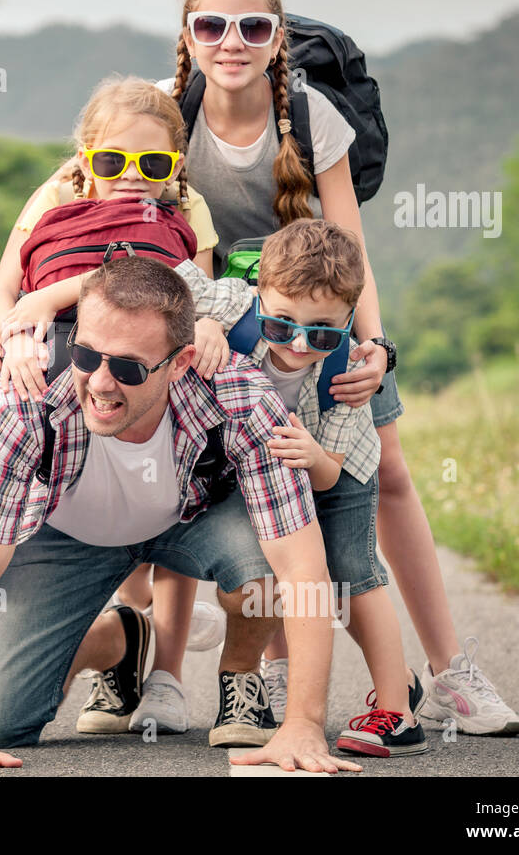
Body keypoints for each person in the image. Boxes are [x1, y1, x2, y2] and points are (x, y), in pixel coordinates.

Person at [15, 0, 519, 736]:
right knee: (192, 479)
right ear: (188, 34)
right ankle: (169, 680)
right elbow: (70, 184)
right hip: (206, 313)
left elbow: (350, 246)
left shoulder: (309, 113)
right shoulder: (164, 106)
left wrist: (375, 346)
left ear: (278, 37)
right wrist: (4, 299)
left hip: (310, 316)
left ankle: (451, 672)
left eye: (253, 26)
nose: (232, 41)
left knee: (380, 475)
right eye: (211, 25)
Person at [0, 256, 363, 774]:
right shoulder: (21, 398)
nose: (100, 382)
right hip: (67, 535)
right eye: (88, 355)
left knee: (268, 571)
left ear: (181, 362)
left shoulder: (244, 395)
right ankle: (119, 639)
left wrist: (305, 726)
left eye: (130, 368)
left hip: (187, 520)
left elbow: (304, 572)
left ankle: (241, 669)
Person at [0, 76, 230, 734]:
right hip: (72, 405)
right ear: (85, 156)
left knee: (166, 481)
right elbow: (5, 291)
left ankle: (172, 672)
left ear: (175, 166)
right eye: (111, 160)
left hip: (150, 399)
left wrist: (56, 294)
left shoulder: (184, 206)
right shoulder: (56, 195)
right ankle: (123, 635)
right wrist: (9, 333)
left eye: (153, 164)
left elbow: (183, 290)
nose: (130, 177)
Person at [176, 218, 428, 756]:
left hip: (338, 463)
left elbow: (331, 471)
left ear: (348, 322)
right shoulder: (233, 306)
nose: (296, 342)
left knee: (353, 571)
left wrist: (314, 457)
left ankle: (396, 708)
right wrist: (200, 323)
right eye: (280, 324)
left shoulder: (346, 368)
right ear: (257, 295)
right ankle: (294, 676)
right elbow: (161, 283)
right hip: (268, 463)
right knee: (282, 566)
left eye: (321, 332)